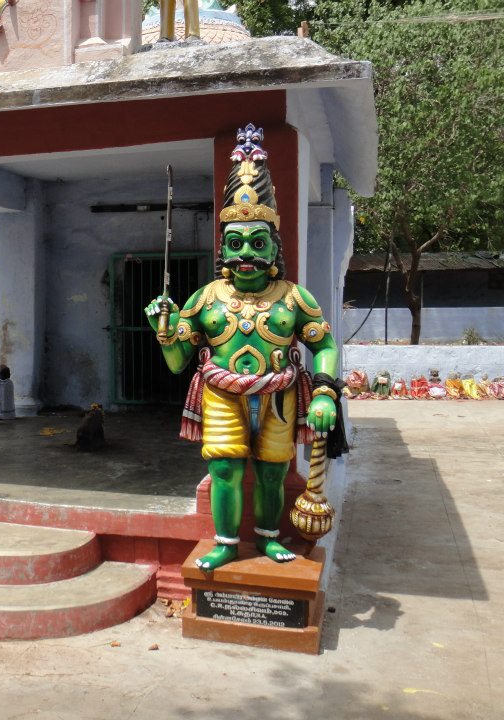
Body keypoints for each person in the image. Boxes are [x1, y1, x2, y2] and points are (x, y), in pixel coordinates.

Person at [145, 124, 344, 571]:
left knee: (274, 472)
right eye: (235, 244)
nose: (246, 254)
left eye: (258, 243)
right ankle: (227, 544)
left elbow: (326, 346)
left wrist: (327, 391)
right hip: (220, 394)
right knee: (225, 471)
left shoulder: (294, 297)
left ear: (274, 248)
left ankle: (270, 539)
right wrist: (163, 329)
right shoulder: (206, 297)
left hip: (280, 395)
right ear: (223, 250)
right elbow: (178, 362)